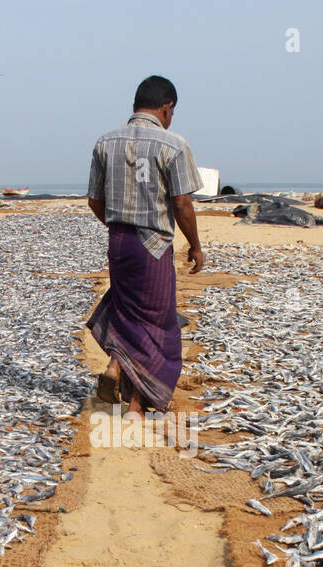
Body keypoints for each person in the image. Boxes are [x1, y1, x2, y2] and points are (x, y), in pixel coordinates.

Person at [86, 75, 204, 415]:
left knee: (126, 313)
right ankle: (137, 403)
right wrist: (195, 246)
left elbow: (95, 200)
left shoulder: (105, 142)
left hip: (119, 242)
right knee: (157, 324)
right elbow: (182, 203)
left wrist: (118, 225)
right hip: (152, 246)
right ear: (166, 108)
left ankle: (116, 367)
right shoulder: (172, 144)